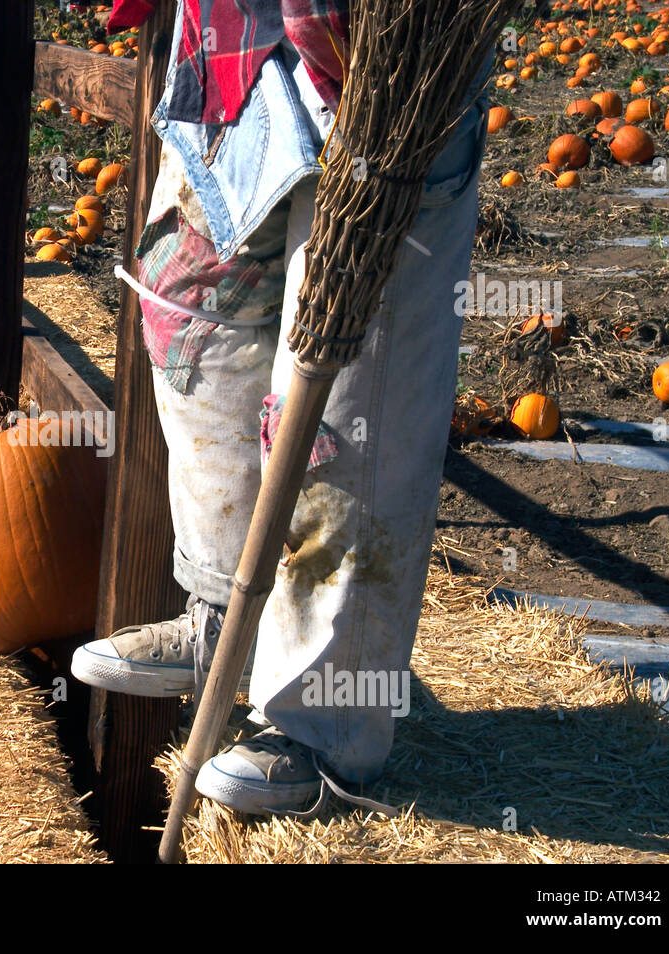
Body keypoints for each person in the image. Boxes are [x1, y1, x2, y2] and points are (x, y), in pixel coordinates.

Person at [71, 0, 490, 816]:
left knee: (358, 387)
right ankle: (223, 614)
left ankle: (324, 726)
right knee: (191, 303)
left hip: (386, 53)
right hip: (239, 41)